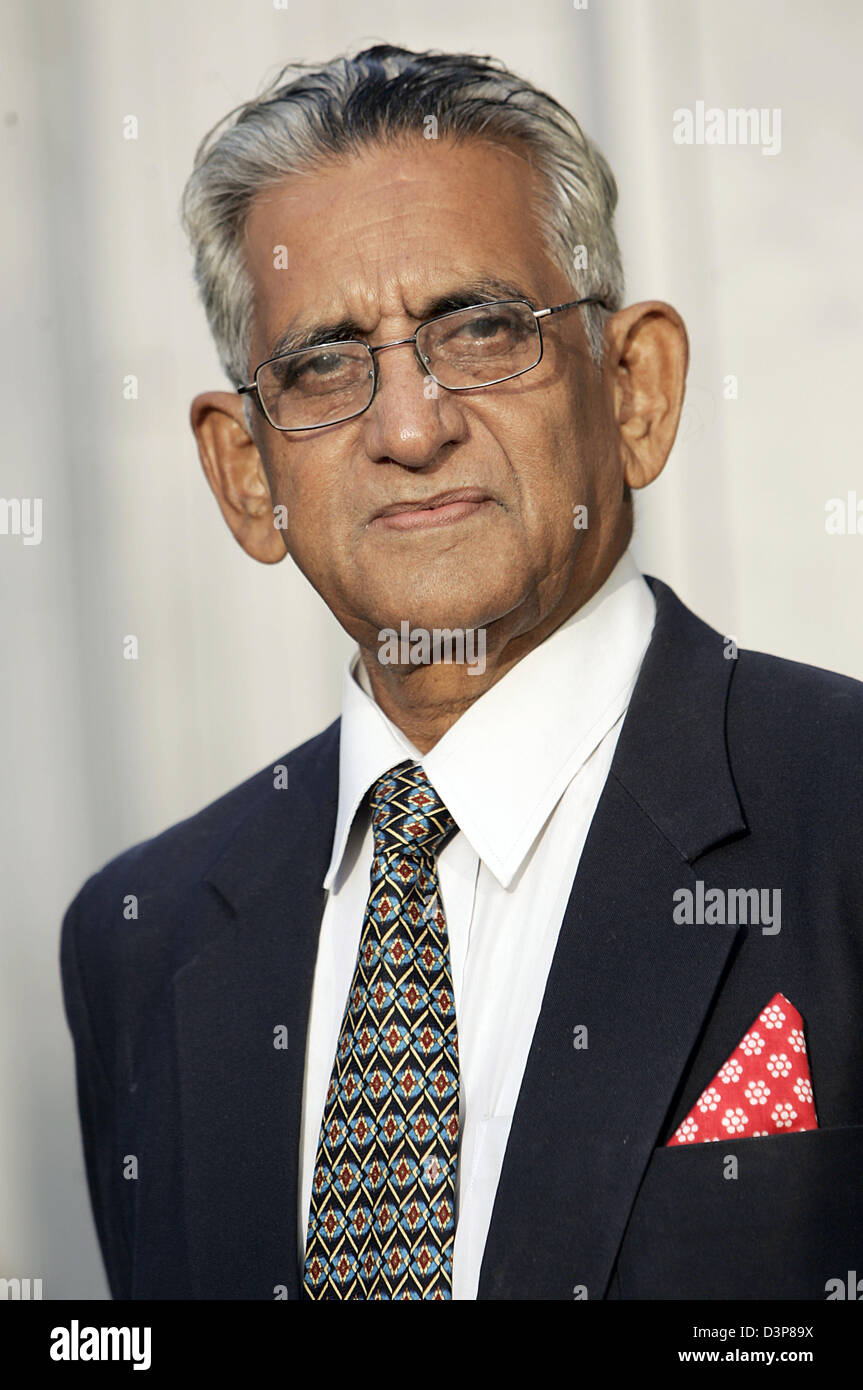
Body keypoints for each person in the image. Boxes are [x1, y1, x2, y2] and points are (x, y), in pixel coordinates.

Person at [61, 43, 863, 1301]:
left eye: (480, 329)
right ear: (245, 473)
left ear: (634, 389)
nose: (409, 425)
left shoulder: (839, 811)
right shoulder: (142, 939)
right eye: (323, 362)